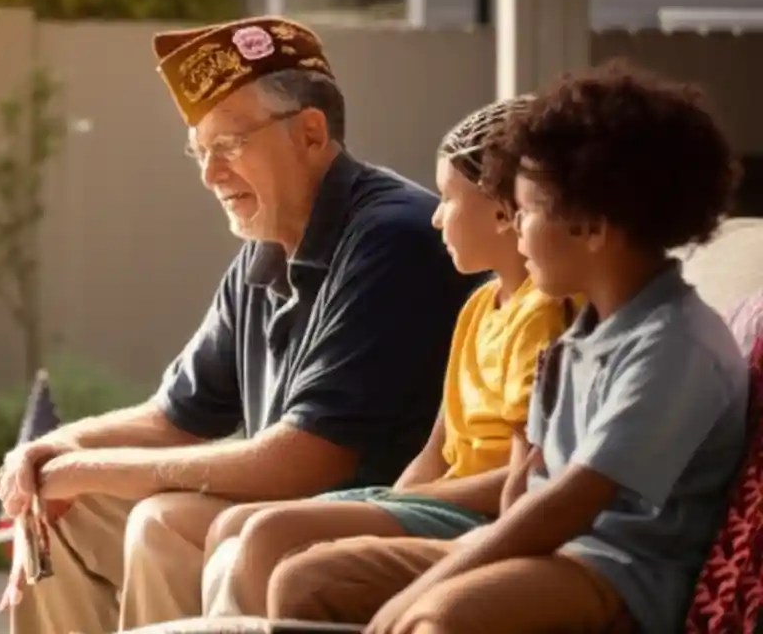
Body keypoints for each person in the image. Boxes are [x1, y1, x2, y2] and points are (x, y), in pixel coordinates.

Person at [0, 16, 482, 633]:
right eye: (199, 153)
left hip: (366, 522)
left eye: (228, 146)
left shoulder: (392, 237)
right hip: (292, 511)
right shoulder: (264, 251)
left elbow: (307, 461)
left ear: (310, 134)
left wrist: (87, 467)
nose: (210, 175)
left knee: (161, 522)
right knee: (64, 508)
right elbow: (175, 418)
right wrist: (53, 452)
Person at [263, 60, 748, 634]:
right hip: (540, 551)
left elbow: (572, 501)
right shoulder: (582, 334)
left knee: (440, 616)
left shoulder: (675, 344)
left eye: (529, 212)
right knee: (306, 580)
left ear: (592, 227)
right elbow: (528, 482)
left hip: (612, 573)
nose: (515, 230)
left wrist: (431, 584)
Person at [198, 96, 577, 617]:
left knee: (269, 531)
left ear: (501, 211)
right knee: (231, 525)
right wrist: (385, 500)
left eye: (448, 198)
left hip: (478, 515)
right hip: (438, 500)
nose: (437, 217)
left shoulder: (542, 315)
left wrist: (403, 505)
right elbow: (436, 448)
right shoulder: (476, 309)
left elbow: (523, 479)